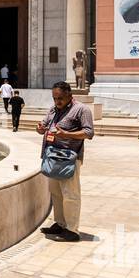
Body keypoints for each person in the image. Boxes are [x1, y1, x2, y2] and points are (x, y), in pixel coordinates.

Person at [36, 80, 95, 242]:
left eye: (60, 98)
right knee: (56, 193)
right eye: (54, 98)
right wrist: (40, 128)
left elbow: (89, 133)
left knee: (71, 194)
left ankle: (72, 229)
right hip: (52, 156)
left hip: (69, 158)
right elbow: (44, 126)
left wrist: (67, 134)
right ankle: (60, 223)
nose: (57, 102)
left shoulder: (82, 110)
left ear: (70, 95)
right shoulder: (54, 110)